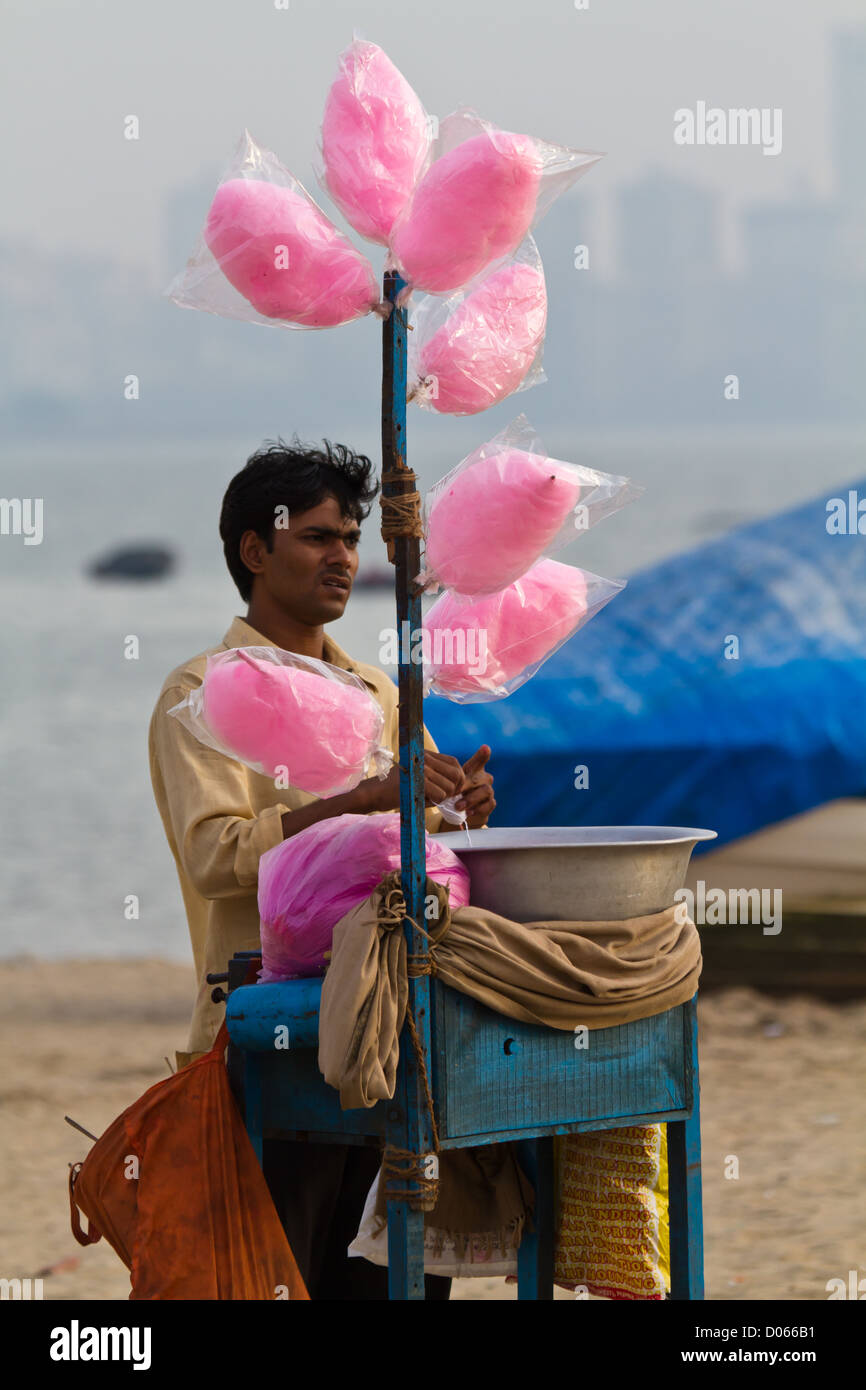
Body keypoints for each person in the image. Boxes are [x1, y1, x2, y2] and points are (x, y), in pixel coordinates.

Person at [148, 437, 495, 1299]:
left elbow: (421, 842)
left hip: (392, 1030)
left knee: (395, 1280)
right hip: (270, 1035)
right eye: (317, 537)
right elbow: (215, 857)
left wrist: (459, 808)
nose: (343, 556)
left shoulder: (380, 694)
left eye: (350, 537)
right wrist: (358, 801)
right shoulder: (200, 692)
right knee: (281, 1279)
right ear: (254, 550)